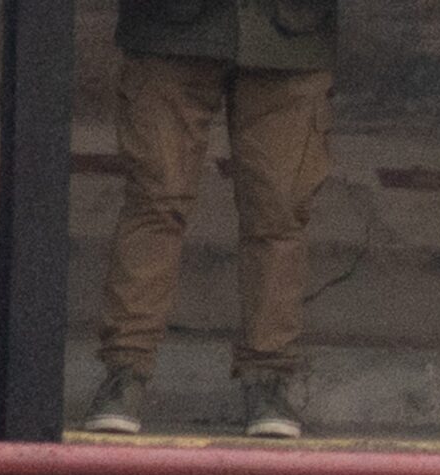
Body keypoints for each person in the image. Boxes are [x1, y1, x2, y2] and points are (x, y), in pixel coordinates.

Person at [84, 0, 334, 441]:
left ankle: (268, 378)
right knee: (154, 203)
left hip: (290, 34)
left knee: (278, 213)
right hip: (169, 31)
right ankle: (126, 372)